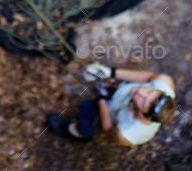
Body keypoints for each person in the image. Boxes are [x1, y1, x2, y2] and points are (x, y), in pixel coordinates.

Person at [46, 62, 176, 146]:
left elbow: (109, 130)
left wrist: (101, 100)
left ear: (142, 115)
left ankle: (81, 133)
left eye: (143, 101)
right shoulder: (164, 84)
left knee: (88, 110)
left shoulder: (127, 133)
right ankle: (112, 90)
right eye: (149, 91)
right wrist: (111, 72)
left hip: (111, 110)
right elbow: (149, 77)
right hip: (121, 94)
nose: (141, 92)